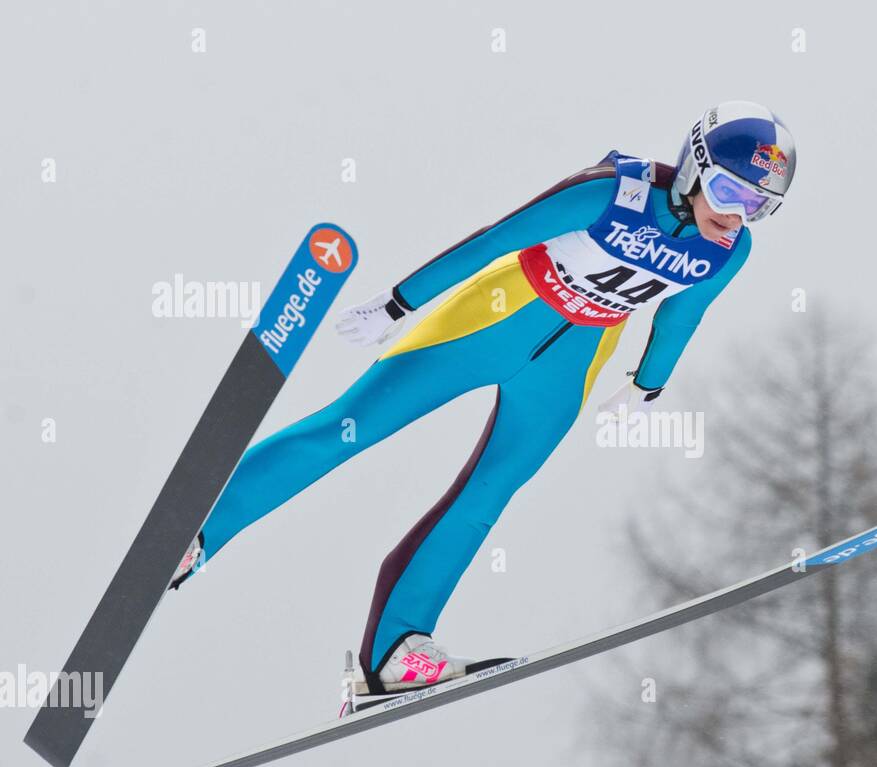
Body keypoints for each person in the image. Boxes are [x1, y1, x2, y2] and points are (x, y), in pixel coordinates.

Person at [170, 100, 797, 699]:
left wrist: (647, 383)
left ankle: (394, 654)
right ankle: (197, 531)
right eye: (729, 192)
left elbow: (683, 313)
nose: (737, 214)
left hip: (570, 366)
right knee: (351, 428)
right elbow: (495, 240)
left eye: (760, 205)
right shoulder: (613, 193)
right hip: (491, 320)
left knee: (486, 497)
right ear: (693, 168)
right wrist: (401, 300)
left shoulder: (728, 250)